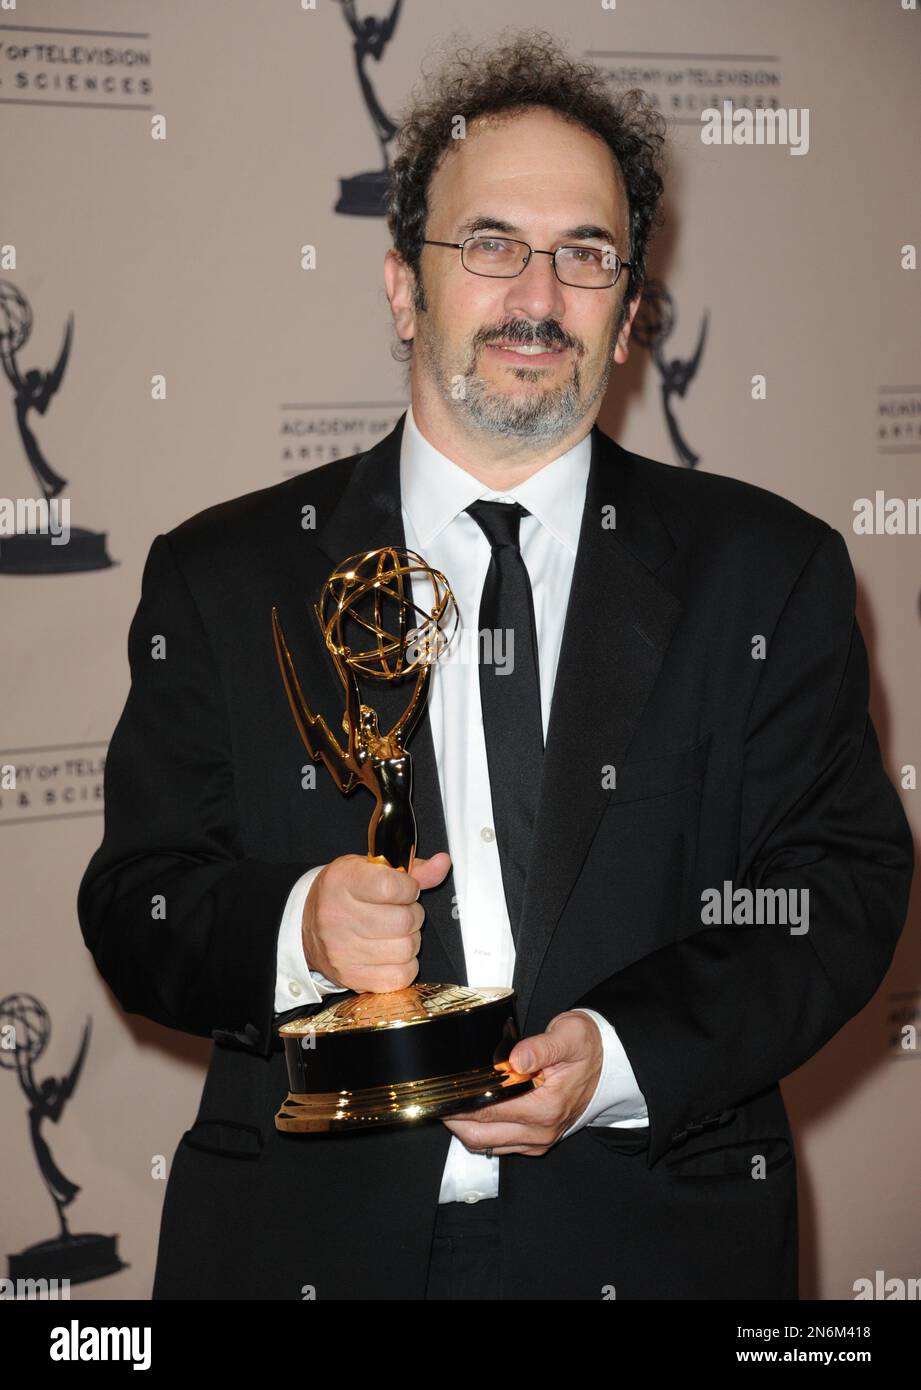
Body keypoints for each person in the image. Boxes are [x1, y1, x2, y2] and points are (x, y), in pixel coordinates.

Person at [77, 31, 913, 1300]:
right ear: (405, 289)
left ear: (631, 312)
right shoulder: (226, 575)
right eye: (491, 244)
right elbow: (137, 902)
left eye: (585, 254)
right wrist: (298, 925)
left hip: (657, 1241)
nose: (538, 293)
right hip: (304, 1251)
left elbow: (836, 890)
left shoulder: (770, 571)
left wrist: (623, 1051)